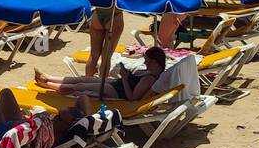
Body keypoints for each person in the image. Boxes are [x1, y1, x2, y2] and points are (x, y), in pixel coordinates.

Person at [35, 45, 166, 100]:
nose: (145, 63)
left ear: (154, 62)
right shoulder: (149, 72)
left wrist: (125, 79)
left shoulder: (150, 79)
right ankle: (50, 77)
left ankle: (47, 84)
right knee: (84, 79)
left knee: (80, 87)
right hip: (117, 84)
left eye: (147, 61)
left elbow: (132, 98)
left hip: (117, 92)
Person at [84, 5, 125, 78]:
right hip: (115, 15)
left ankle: (86, 80)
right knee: (106, 56)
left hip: (98, 13)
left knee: (93, 55)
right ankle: (101, 85)